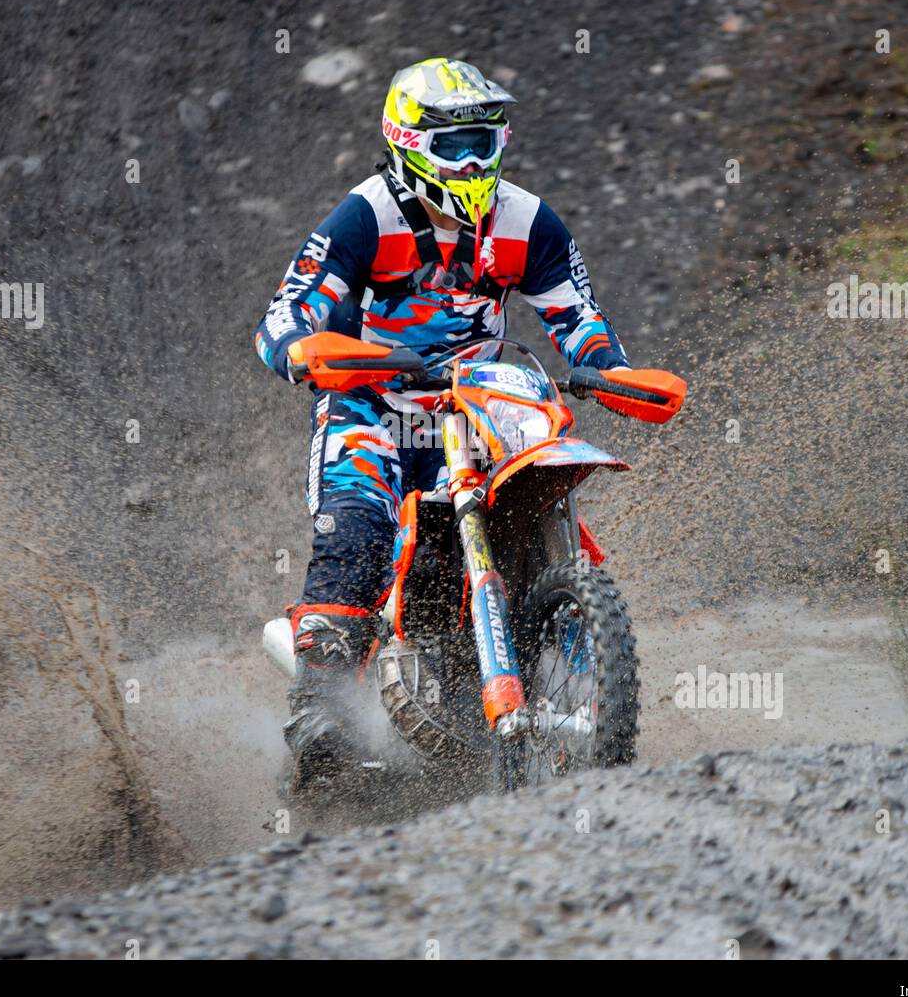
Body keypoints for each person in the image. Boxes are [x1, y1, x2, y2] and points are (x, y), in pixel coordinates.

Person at [255, 57, 631, 786]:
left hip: (477, 400)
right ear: (409, 142)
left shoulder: (526, 221)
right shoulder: (367, 215)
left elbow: (576, 314)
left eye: (483, 143)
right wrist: (304, 346)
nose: (471, 161)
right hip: (374, 401)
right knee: (357, 521)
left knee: (542, 473)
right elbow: (289, 311)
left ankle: (566, 653)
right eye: (454, 145)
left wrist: (606, 366)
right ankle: (322, 706)